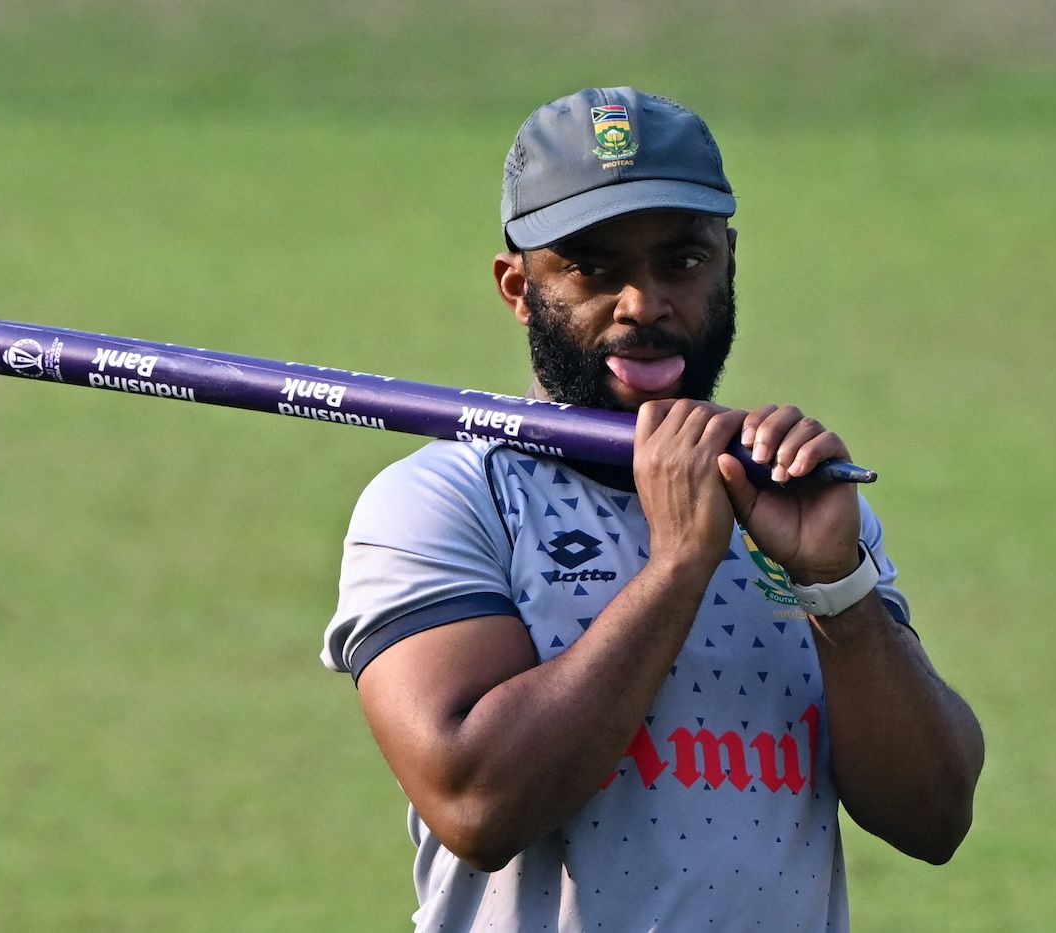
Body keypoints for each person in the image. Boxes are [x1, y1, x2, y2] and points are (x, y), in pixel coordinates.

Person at [321, 86, 984, 932]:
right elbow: (478, 802)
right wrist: (678, 567)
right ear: (518, 287)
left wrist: (839, 589)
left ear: (729, 262)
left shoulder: (796, 501)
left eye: (682, 261)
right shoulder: (442, 502)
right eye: (594, 269)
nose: (644, 302)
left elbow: (934, 816)